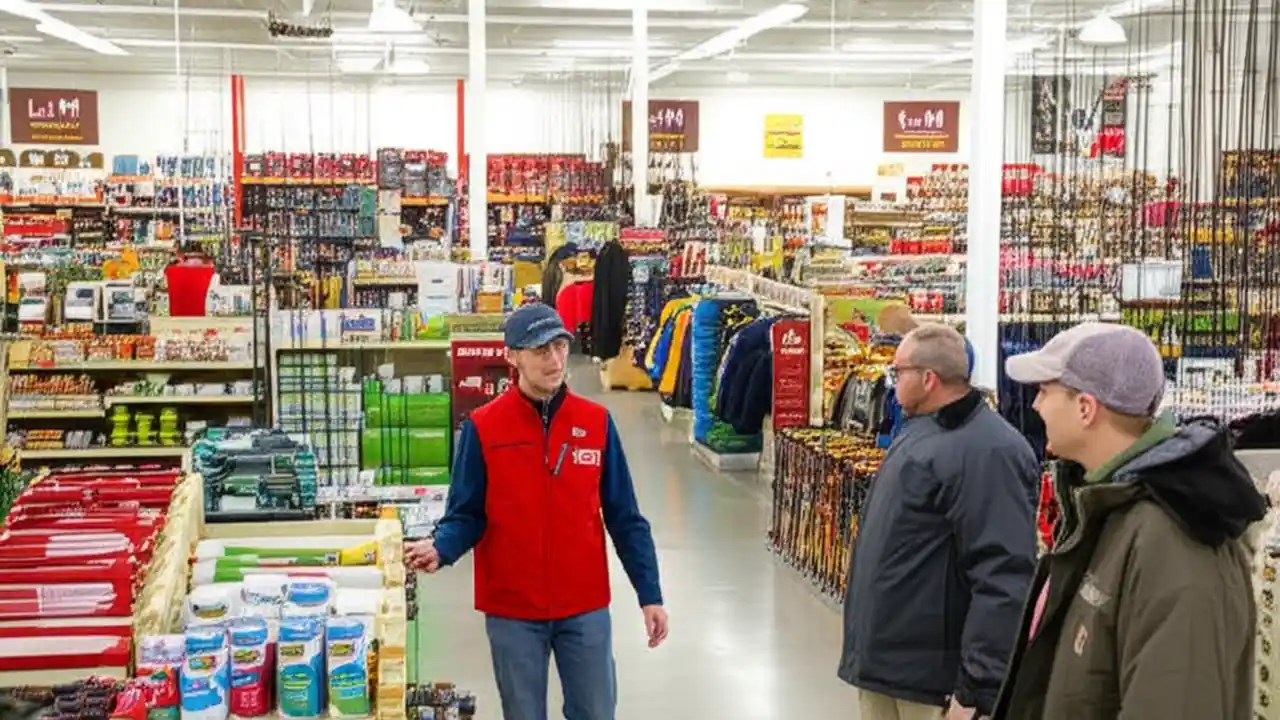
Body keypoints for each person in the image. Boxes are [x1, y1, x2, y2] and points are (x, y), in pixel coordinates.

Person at [406, 303, 668, 720]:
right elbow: (466, 513)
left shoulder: (597, 423)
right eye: (541, 350)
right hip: (513, 609)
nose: (556, 359)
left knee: (597, 711)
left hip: (584, 603)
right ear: (513, 356)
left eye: (560, 346)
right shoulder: (483, 427)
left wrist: (649, 593)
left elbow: (625, 517)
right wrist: (441, 548)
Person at [993, 322, 1267, 719]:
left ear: (1085, 408)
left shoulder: (1173, 537)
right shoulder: (1105, 507)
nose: (1035, 406)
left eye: (1044, 391)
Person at [838, 323, 1039, 720]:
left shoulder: (989, 451)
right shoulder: (920, 432)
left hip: (932, 684)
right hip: (886, 667)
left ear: (928, 379)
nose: (892, 383)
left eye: (899, 373)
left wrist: (977, 687)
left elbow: (1004, 575)